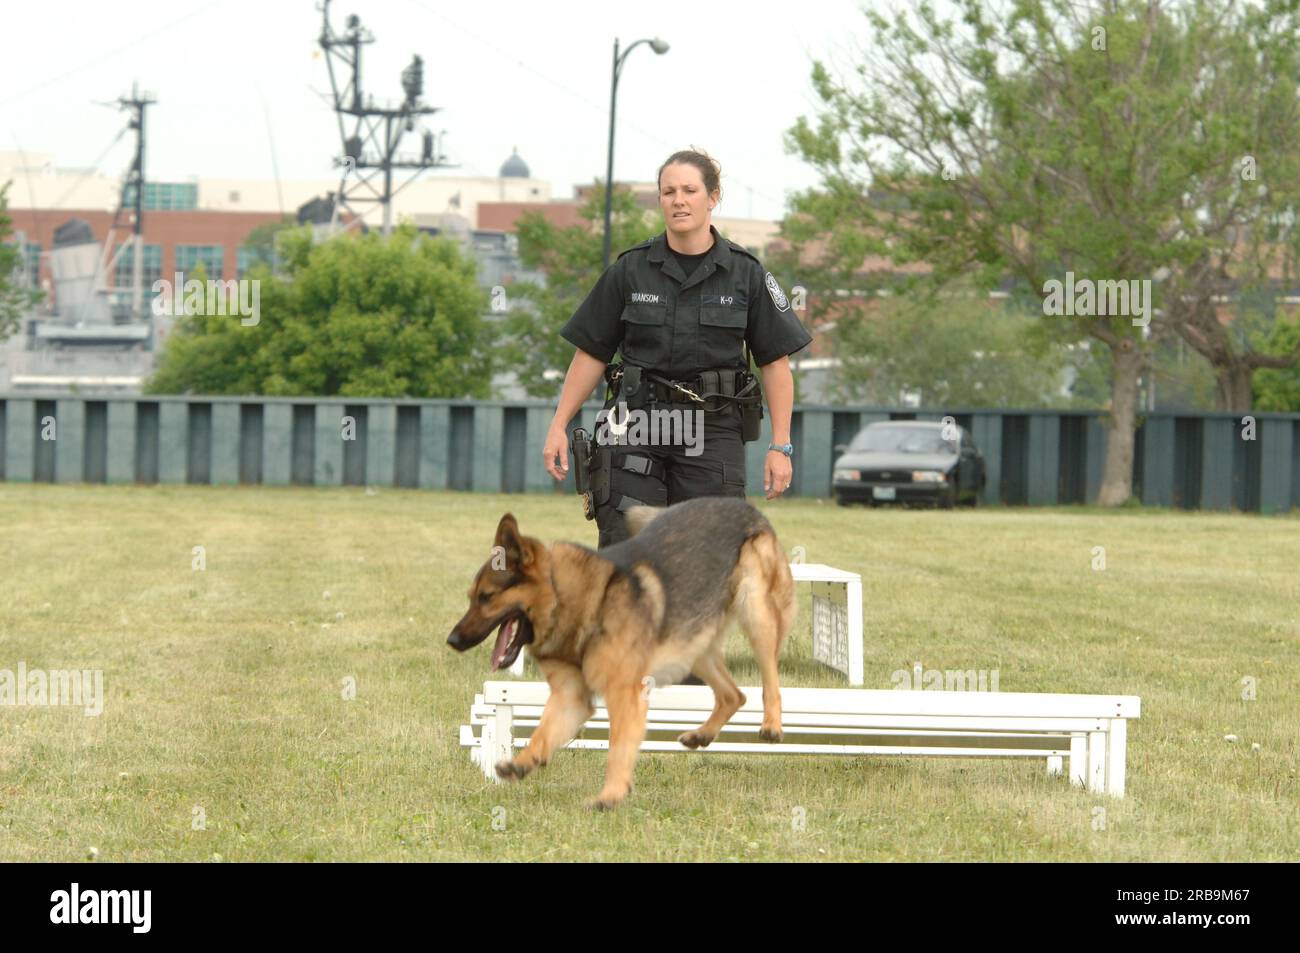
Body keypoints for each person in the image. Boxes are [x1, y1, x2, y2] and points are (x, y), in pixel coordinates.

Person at [543, 148, 812, 552]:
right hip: (634, 425)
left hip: (713, 428)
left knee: (707, 557)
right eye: (669, 192)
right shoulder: (630, 270)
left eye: (689, 190)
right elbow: (591, 352)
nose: (679, 200)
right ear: (660, 200)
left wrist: (780, 445)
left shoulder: (746, 274)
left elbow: (775, 363)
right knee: (627, 552)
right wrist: (558, 423)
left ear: (713, 197)